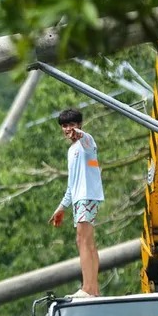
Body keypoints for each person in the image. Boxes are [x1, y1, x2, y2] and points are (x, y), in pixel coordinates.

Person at [48, 108, 104, 298]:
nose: (67, 129)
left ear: (79, 125)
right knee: (86, 241)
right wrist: (61, 208)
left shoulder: (86, 143)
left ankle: (88, 288)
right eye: (64, 126)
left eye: (71, 125)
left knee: (83, 240)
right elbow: (71, 185)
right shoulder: (71, 151)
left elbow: (86, 138)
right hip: (79, 198)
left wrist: (78, 133)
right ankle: (93, 288)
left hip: (88, 196)